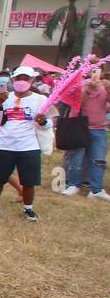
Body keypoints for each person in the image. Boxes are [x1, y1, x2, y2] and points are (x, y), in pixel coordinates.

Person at [0, 65, 47, 221]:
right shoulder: (5, 97)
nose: (22, 81)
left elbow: (48, 122)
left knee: (29, 180)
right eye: (19, 78)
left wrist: (44, 121)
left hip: (29, 146)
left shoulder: (40, 99)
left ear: (32, 80)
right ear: (13, 79)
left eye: (26, 79)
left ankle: (28, 209)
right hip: (4, 144)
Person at [60, 64, 108, 200]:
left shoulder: (105, 86)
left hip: (98, 128)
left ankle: (96, 189)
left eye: (98, 68)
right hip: (79, 126)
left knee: (98, 160)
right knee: (76, 157)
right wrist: (89, 90)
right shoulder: (78, 85)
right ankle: (73, 184)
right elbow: (77, 105)